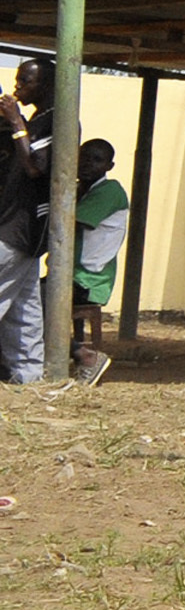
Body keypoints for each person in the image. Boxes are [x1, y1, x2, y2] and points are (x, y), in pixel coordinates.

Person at [0, 58, 51, 386]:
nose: (17, 87)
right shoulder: (37, 120)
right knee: (23, 311)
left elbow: (35, 167)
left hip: (20, 230)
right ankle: (29, 378)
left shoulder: (54, 121)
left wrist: (16, 122)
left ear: (46, 85)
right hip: (20, 230)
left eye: (25, 82)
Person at [66, 138, 128, 389]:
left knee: (29, 306)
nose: (87, 164)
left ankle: (85, 356)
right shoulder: (84, 190)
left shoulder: (109, 191)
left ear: (109, 166)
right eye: (83, 157)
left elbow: (69, 223)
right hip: (73, 276)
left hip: (89, 281)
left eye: (96, 159)